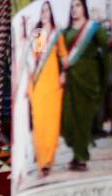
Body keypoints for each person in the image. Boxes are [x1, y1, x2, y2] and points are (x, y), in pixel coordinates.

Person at [60, 0, 112, 171]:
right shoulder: (66, 31)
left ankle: (80, 158)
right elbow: (59, 53)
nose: (75, 9)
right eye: (72, 6)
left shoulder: (94, 28)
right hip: (70, 81)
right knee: (68, 123)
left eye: (78, 5)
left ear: (84, 7)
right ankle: (78, 151)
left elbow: (107, 48)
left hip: (88, 81)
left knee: (82, 121)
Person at [29, 1, 66, 174]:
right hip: (39, 83)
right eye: (42, 11)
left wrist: (64, 74)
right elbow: (36, 59)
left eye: (46, 10)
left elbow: (64, 56)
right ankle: (42, 160)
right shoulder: (39, 33)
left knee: (52, 122)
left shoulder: (56, 32)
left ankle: (48, 159)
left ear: (50, 12)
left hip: (53, 84)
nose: (44, 14)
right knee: (40, 121)